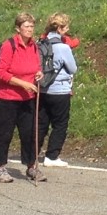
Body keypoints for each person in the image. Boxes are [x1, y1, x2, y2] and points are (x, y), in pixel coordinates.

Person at [0, 11, 45, 183]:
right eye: (26, 26)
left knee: (29, 133)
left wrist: (38, 75)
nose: (30, 29)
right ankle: (0, 167)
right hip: (7, 97)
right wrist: (23, 84)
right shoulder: (9, 45)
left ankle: (30, 166)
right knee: (5, 133)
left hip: (27, 97)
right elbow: (0, 72)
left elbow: (35, 68)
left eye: (32, 26)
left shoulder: (34, 46)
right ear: (18, 28)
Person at [39, 12, 79, 165]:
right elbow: (73, 68)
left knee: (42, 122)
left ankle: (32, 153)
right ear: (60, 28)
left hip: (42, 88)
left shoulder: (40, 43)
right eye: (66, 27)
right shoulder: (63, 47)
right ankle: (52, 156)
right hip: (59, 90)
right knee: (60, 124)